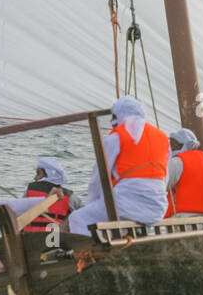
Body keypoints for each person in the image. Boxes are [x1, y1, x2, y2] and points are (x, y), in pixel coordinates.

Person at [68, 96, 170, 234]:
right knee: (113, 222)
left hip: (125, 204)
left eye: (113, 117)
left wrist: (91, 203)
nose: (111, 121)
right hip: (157, 208)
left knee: (77, 218)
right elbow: (165, 177)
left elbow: (99, 177)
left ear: (120, 114)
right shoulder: (163, 138)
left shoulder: (116, 137)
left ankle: (88, 254)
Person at [164, 128, 203, 217]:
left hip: (183, 218)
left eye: (173, 143)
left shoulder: (177, 162)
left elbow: (161, 186)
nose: (170, 147)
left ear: (180, 144)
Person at [23, 157, 73, 233]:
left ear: (41, 172)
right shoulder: (70, 196)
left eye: (37, 173)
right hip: (56, 240)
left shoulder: (29, 190)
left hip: (30, 238)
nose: (35, 178)